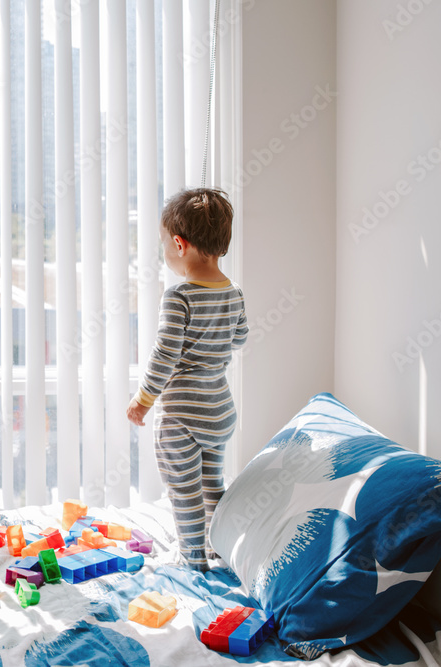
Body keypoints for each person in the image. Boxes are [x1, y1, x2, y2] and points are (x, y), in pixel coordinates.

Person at [126, 188, 248, 572]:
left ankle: (192, 559)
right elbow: (240, 337)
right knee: (212, 484)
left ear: (179, 244)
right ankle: (220, 547)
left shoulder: (178, 296)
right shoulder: (233, 292)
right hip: (219, 411)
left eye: (164, 244)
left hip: (182, 416)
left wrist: (144, 399)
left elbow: (165, 354)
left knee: (184, 490)